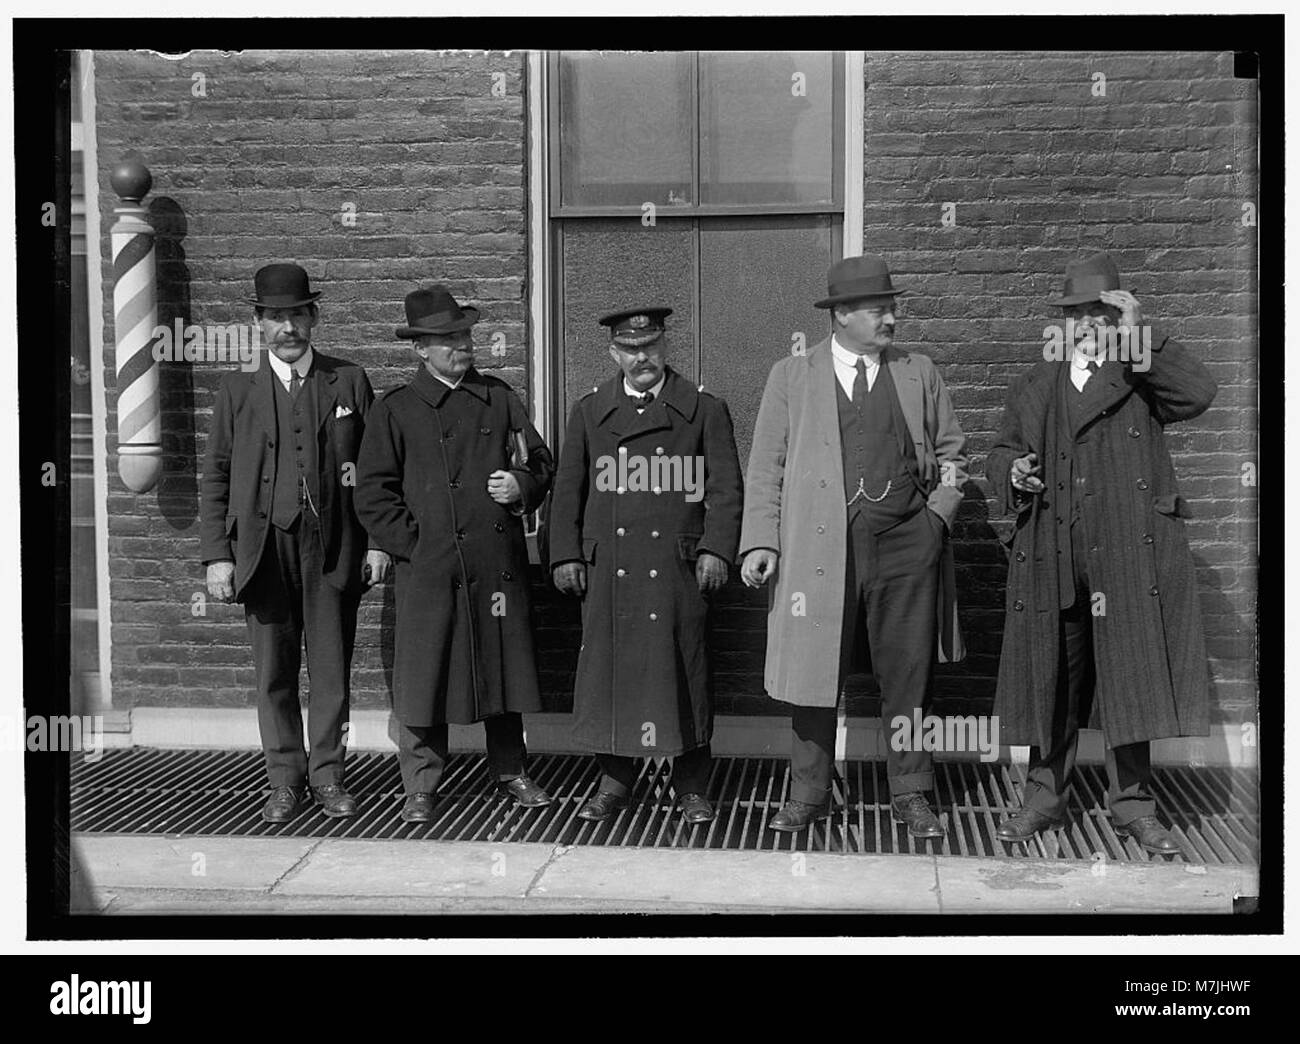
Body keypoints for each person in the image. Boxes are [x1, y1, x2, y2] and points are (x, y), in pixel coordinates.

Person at [988, 252, 1217, 855]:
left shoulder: (1140, 375)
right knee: (1050, 682)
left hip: (1124, 556)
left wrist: (1141, 332)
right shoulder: (1037, 384)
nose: (1089, 323)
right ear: (1062, 323)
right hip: (1055, 554)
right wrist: (1012, 471)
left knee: (1131, 678)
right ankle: (1042, 799)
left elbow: (1199, 394)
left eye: (1102, 311)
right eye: (1079, 313)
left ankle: (1134, 807)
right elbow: (1001, 449)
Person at [740, 254, 967, 837]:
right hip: (818, 551)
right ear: (841, 315)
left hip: (906, 546)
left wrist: (936, 521)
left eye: (891, 307)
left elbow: (952, 459)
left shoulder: (919, 371)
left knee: (909, 673)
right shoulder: (790, 376)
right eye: (878, 308)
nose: (890, 317)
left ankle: (913, 793)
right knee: (813, 673)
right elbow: (766, 467)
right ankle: (809, 791)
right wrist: (760, 542)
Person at [355, 286, 555, 822]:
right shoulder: (394, 410)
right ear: (421, 348)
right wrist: (416, 548)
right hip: (429, 570)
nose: (462, 346)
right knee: (425, 676)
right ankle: (420, 784)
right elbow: (372, 493)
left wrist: (521, 485)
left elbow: (540, 462)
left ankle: (511, 770)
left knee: (504, 668)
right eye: (447, 339)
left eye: (464, 335)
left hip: (496, 563)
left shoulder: (498, 396)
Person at [200, 263, 390, 823]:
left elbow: (377, 472)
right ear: (259, 323)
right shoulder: (238, 390)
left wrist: (376, 543)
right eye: (276, 317)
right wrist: (217, 555)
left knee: (331, 670)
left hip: (332, 546)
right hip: (263, 547)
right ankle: (283, 779)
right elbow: (215, 474)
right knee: (274, 672)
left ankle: (329, 776)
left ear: (314, 318)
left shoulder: (349, 381)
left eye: (297, 315)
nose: (288, 327)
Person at [548, 308, 743, 824]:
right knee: (611, 671)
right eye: (631, 350)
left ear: (665, 348)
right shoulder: (590, 411)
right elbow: (568, 490)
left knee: (685, 668)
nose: (642, 358)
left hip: (678, 568)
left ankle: (692, 785)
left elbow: (725, 490)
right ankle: (615, 782)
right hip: (609, 566)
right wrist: (565, 553)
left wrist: (717, 549)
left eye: (651, 347)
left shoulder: (703, 408)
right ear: (614, 353)